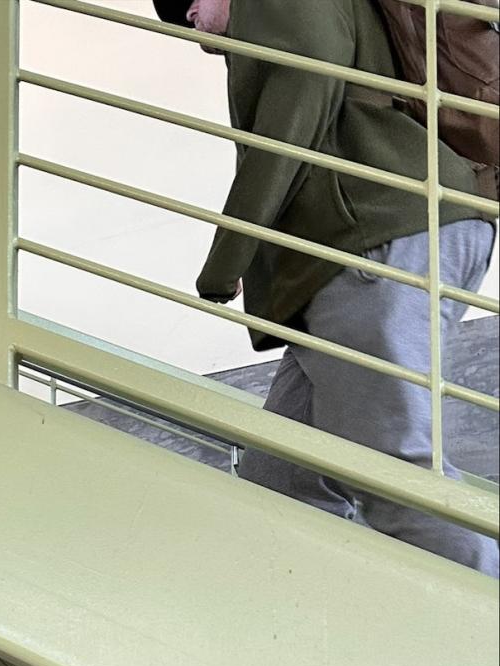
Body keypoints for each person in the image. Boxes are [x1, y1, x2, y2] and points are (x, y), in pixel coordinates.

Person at [156, 0, 497, 575]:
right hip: (392, 235)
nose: (185, 18)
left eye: (186, 4)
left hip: (373, 238)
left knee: (392, 474)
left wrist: (229, 254)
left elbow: (300, 95)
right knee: (281, 481)